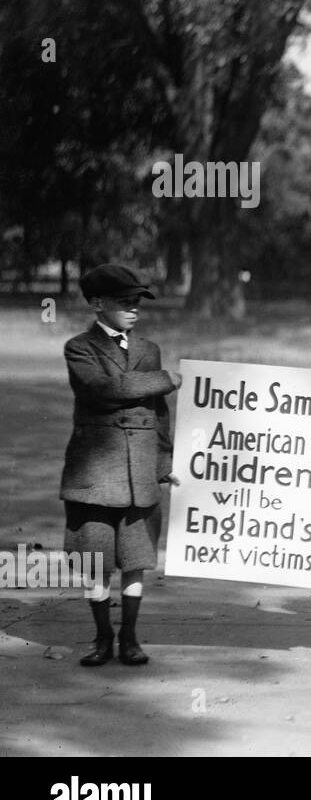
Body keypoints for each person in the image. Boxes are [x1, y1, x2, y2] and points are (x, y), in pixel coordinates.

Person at [60, 264, 181, 667]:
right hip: (95, 475)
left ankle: (129, 638)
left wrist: (164, 464)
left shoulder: (148, 350)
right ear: (97, 304)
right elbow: (102, 390)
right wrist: (163, 378)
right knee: (96, 562)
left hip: (141, 474)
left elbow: (159, 416)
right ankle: (101, 638)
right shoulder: (80, 348)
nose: (134, 310)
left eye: (137, 302)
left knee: (135, 561)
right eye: (124, 302)